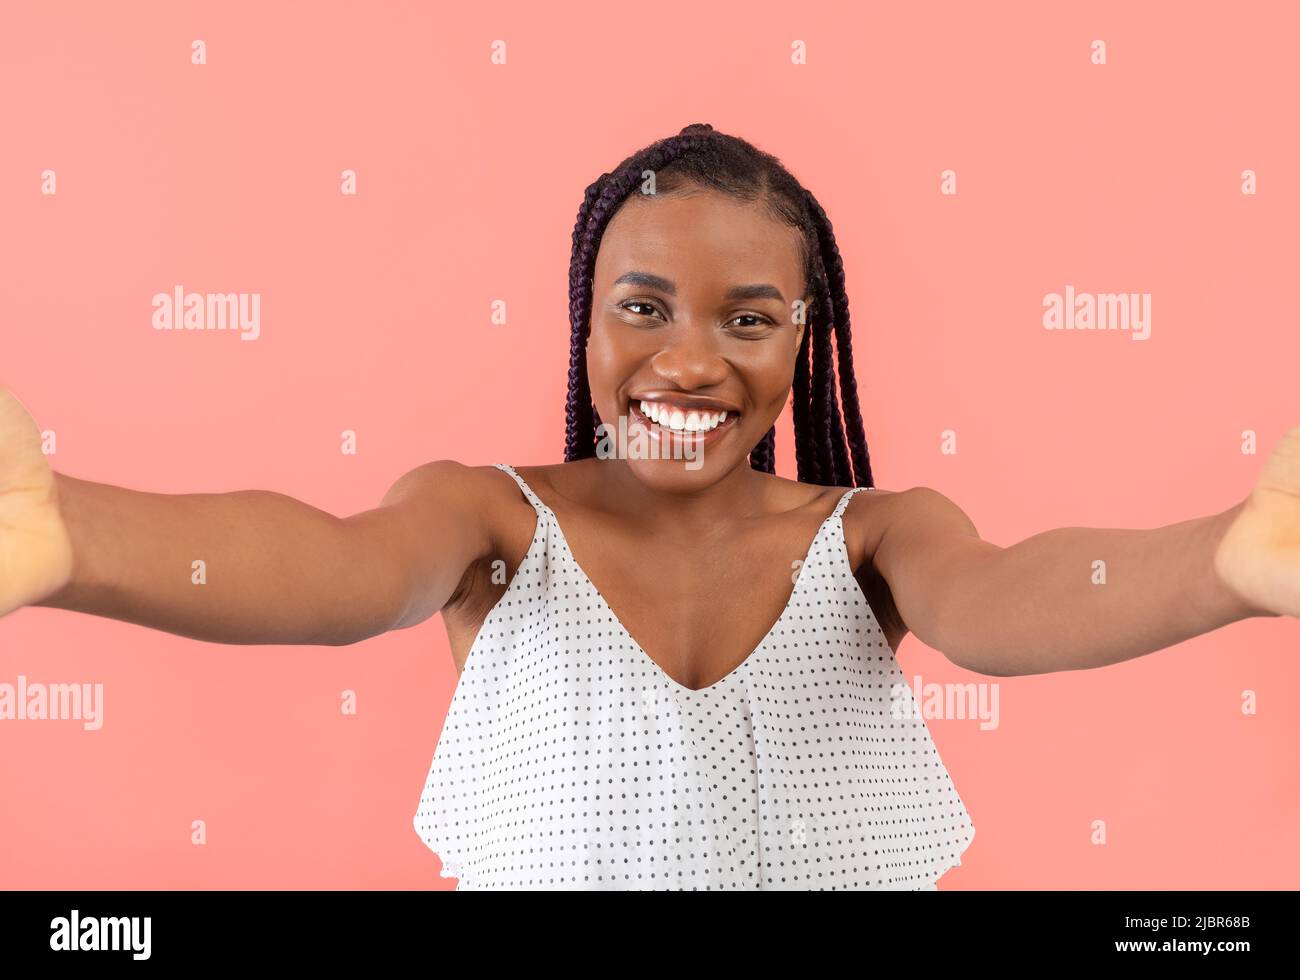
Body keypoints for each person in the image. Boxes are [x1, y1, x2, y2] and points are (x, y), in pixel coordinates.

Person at [1, 124, 1292, 890]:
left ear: (804, 339)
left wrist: (1230, 563)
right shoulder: (494, 522)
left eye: (747, 318)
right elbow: (341, 569)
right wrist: (72, 533)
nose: (688, 361)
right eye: (642, 308)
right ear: (585, 318)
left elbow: (1007, 605)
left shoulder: (873, 537)